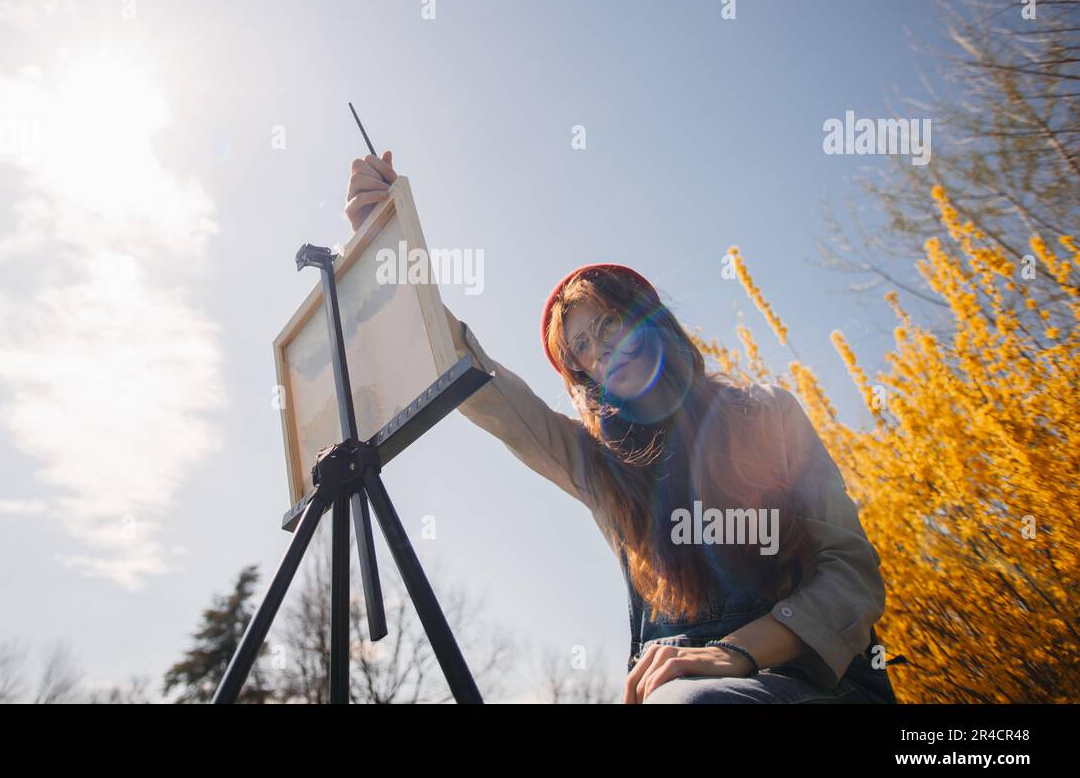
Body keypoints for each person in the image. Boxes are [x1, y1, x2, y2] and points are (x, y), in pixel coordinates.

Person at [344, 150, 899, 704]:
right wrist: (390, 250)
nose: (602, 347)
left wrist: (736, 651)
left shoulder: (766, 412)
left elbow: (850, 573)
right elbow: (475, 381)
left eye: (610, 322)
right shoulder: (597, 464)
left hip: (810, 686)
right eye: (582, 347)